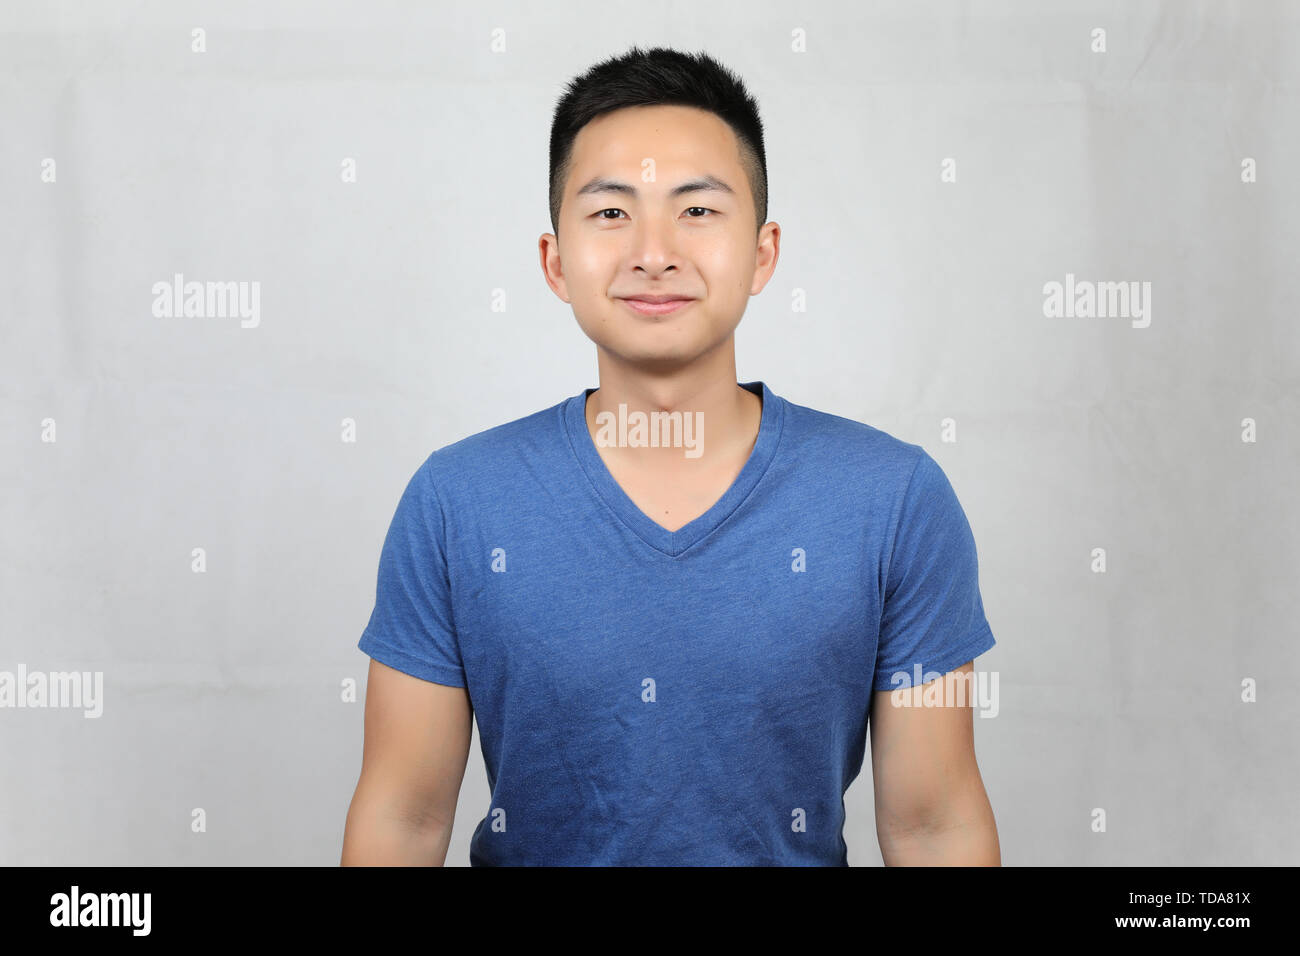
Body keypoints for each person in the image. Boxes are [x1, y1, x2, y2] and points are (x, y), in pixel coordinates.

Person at [340, 45, 999, 866]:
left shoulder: (895, 501)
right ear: (555, 262)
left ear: (763, 254)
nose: (654, 252)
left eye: (697, 210)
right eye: (611, 213)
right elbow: (402, 818)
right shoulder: (454, 503)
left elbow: (934, 827)